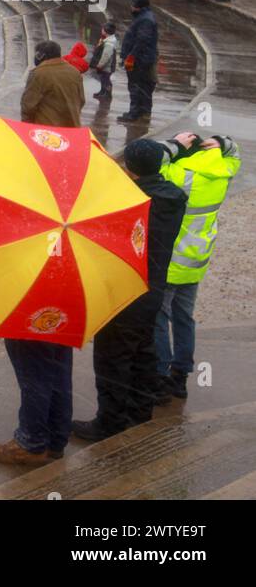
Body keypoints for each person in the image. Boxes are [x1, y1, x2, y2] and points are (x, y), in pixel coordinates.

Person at [0, 44, 84, 466]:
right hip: (68, 302)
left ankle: (30, 442)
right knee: (59, 367)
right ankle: (56, 439)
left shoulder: (32, 209)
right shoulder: (79, 212)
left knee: (34, 374)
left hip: (33, 304)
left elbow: (28, 107)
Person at [72, 139, 186, 442]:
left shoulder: (128, 202)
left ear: (131, 170)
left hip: (123, 292)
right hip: (153, 289)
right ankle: (139, 412)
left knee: (112, 359)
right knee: (142, 353)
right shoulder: (173, 197)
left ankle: (109, 423)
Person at [153, 133, 241, 403]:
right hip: (197, 260)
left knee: (159, 318)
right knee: (184, 318)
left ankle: (160, 375)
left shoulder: (179, 174)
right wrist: (223, 143)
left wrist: (175, 143)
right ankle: (180, 377)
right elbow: (234, 155)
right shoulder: (222, 171)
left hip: (171, 262)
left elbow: (151, 158)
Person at [21, 39, 85, 127]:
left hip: (47, 129)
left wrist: (26, 127)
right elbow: (81, 100)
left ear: (41, 56)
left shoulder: (39, 73)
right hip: (72, 128)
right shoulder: (75, 72)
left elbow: (28, 105)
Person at [118, 0, 158, 123]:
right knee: (143, 86)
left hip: (139, 60)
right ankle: (143, 111)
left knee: (136, 86)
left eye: (133, 5)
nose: (131, 8)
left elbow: (141, 41)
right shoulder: (144, 17)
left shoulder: (145, 20)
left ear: (139, 7)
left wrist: (131, 57)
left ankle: (134, 113)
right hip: (143, 58)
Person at [90, 22, 118, 100]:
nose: (101, 30)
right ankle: (102, 91)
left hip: (107, 66)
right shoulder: (106, 39)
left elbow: (106, 56)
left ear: (106, 31)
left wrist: (100, 65)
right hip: (105, 66)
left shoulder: (109, 43)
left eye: (102, 29)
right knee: (103, 79)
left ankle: (107, 94)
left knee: (106, 80)